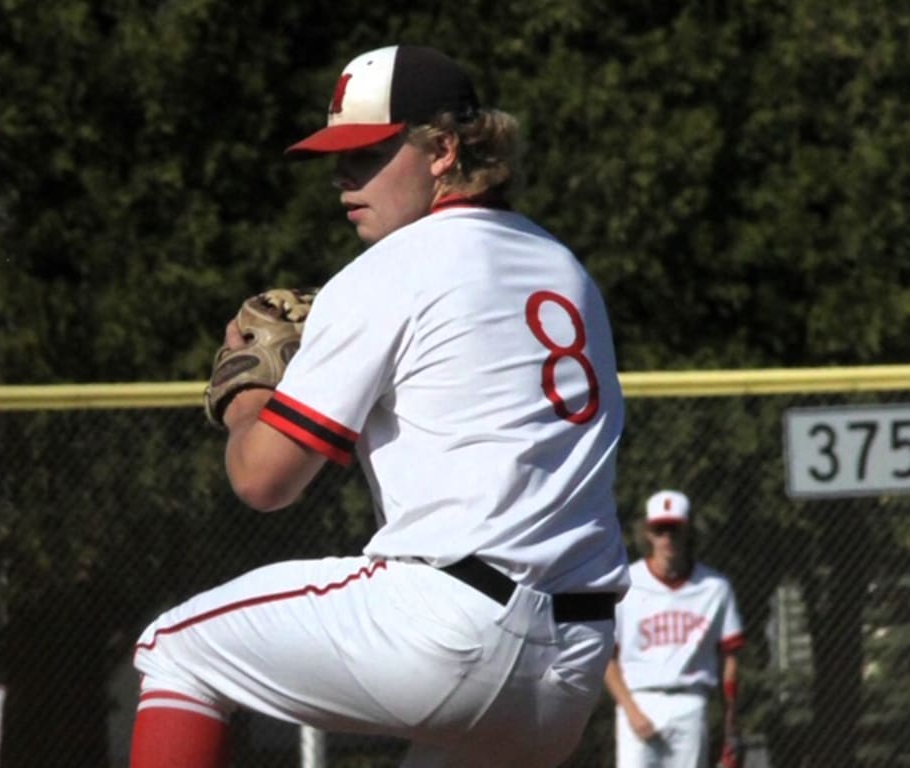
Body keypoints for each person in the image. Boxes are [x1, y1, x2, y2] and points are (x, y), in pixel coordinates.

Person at [130, 44, 628, 768]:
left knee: (176, 650)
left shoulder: (390, 268)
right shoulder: (564, 267)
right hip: (575, 664)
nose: (342, 175)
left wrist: (246, 392)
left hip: (450, 624)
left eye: (366, 153)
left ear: (443, 150)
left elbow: (263, 481)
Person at [603, 490, 746, 768]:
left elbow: (730, 657)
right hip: (639, 699)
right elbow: (607, 658)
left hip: (690, 703)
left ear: (687, 531)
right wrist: (631, 710)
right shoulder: (626, 583)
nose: (667, 538)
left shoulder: (714, 587)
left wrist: (731, 724)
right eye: (660, 530)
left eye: (674, 530)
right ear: (648, 533)